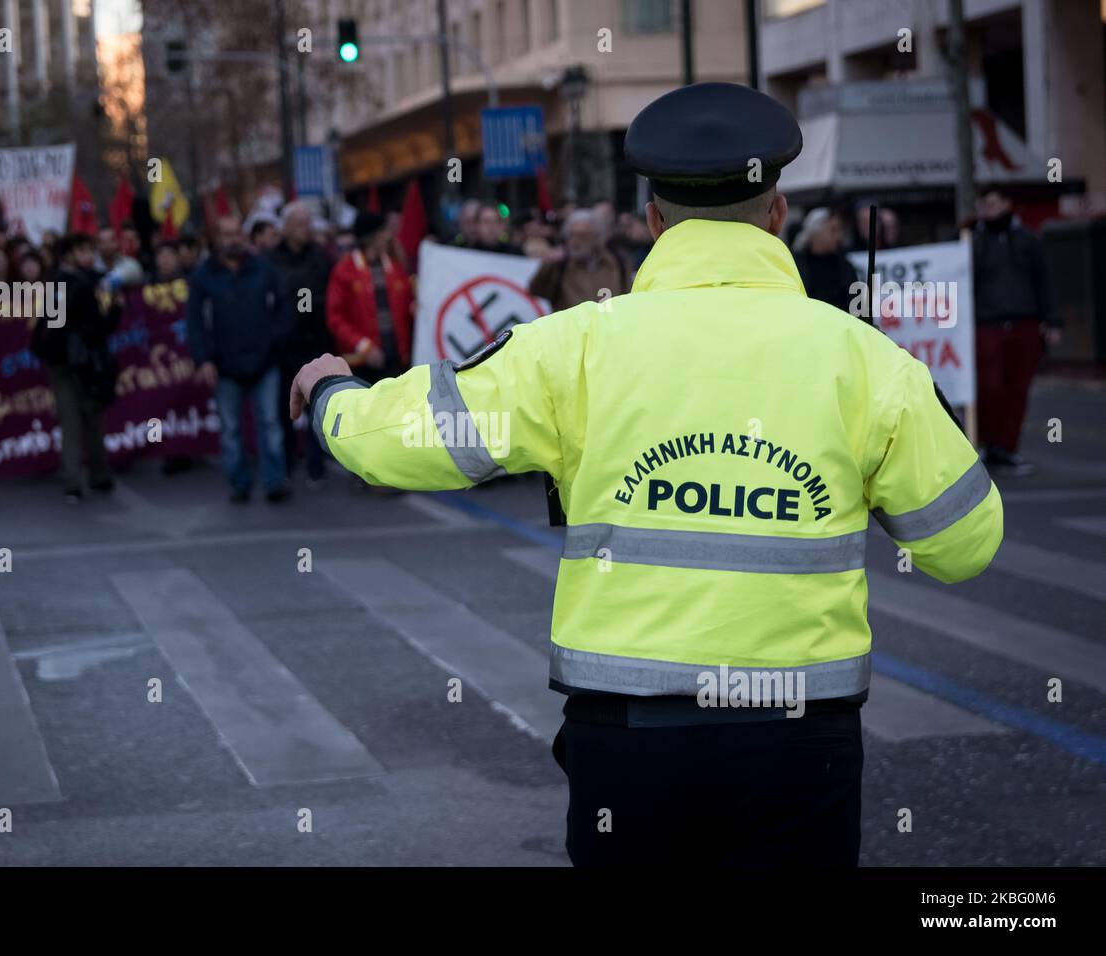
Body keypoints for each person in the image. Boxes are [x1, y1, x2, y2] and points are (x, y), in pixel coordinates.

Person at [289, 82, 1003, 867]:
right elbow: (963, 545)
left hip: (631, 748)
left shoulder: (575, 347)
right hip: (800, 748)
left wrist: (332, 392)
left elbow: (403, 441)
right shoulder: (863, 359)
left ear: (656, 222)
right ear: (777, 213)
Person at [186, 215, 291, 504]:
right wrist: (204, 358)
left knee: (270, 423)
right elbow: (194, 321)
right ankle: (239, 483)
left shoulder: (263, 268)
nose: (233, 240)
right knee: (231, 430)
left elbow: (283, 305)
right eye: (227, 234)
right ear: (217, 239)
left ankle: (274, 481)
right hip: (225, 365)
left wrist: (275, 342)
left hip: (264, 361)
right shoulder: (204, 275)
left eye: (237, 234)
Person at [971, 187, 1057, 476]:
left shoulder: (1027, 240)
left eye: (993, 203)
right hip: (987, 323)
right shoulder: (973, 240)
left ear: (1007, 204)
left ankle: (1007, 447)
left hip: (1024, 323)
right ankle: (987, 441)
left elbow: (1044, 280)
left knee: (1017, 389)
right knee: (988, 386)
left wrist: (1051, 320)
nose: (988, 208)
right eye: (984, 203)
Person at [30, 233, 121, 503]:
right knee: (90, 419)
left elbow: (47, 326)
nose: (89, 256)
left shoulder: (55, 283)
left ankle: (73, 482)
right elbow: (97, 331)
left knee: (70, 422)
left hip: (59, 362)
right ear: (69, 254)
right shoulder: (83, 285)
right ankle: (97, 475)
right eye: (83, 251)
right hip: (81, 362)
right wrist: (116, 311)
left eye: (89, 250)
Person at [269, 201, 333, 486]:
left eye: (308, 223)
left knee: (316, 405)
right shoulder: (270, 261)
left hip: (315, 343)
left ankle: (316, 463)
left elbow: (330, 296)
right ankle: (286, 460)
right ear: (284, 228)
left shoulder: (321, 257)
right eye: (299, 223)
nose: (305, 229)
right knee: (286, 406)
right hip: (284, 347)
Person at [325, 211, 414, 382]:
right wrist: (364, 346)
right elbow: (335, 318)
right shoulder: (344, 271)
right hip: (361, 365)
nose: (389, 236)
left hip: (397, 361)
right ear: (373, 236)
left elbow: (407, 304)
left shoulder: (396, 268)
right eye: (384, 231)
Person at [528, 209, 629, 311]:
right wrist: (549, 264)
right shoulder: (561, 265)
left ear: (596, 237)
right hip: (572, 326)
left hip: (608, 325)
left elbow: (628, 298)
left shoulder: (615, 263)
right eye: (571, 235)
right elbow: (536, 291)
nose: (575, 242)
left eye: (582, 236)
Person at [791, 207, 859, 315]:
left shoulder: (845, 267)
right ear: (816, 232)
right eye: (833, 230)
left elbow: (856, 307)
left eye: (839, 230)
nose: (838, 237)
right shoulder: (795, 266)